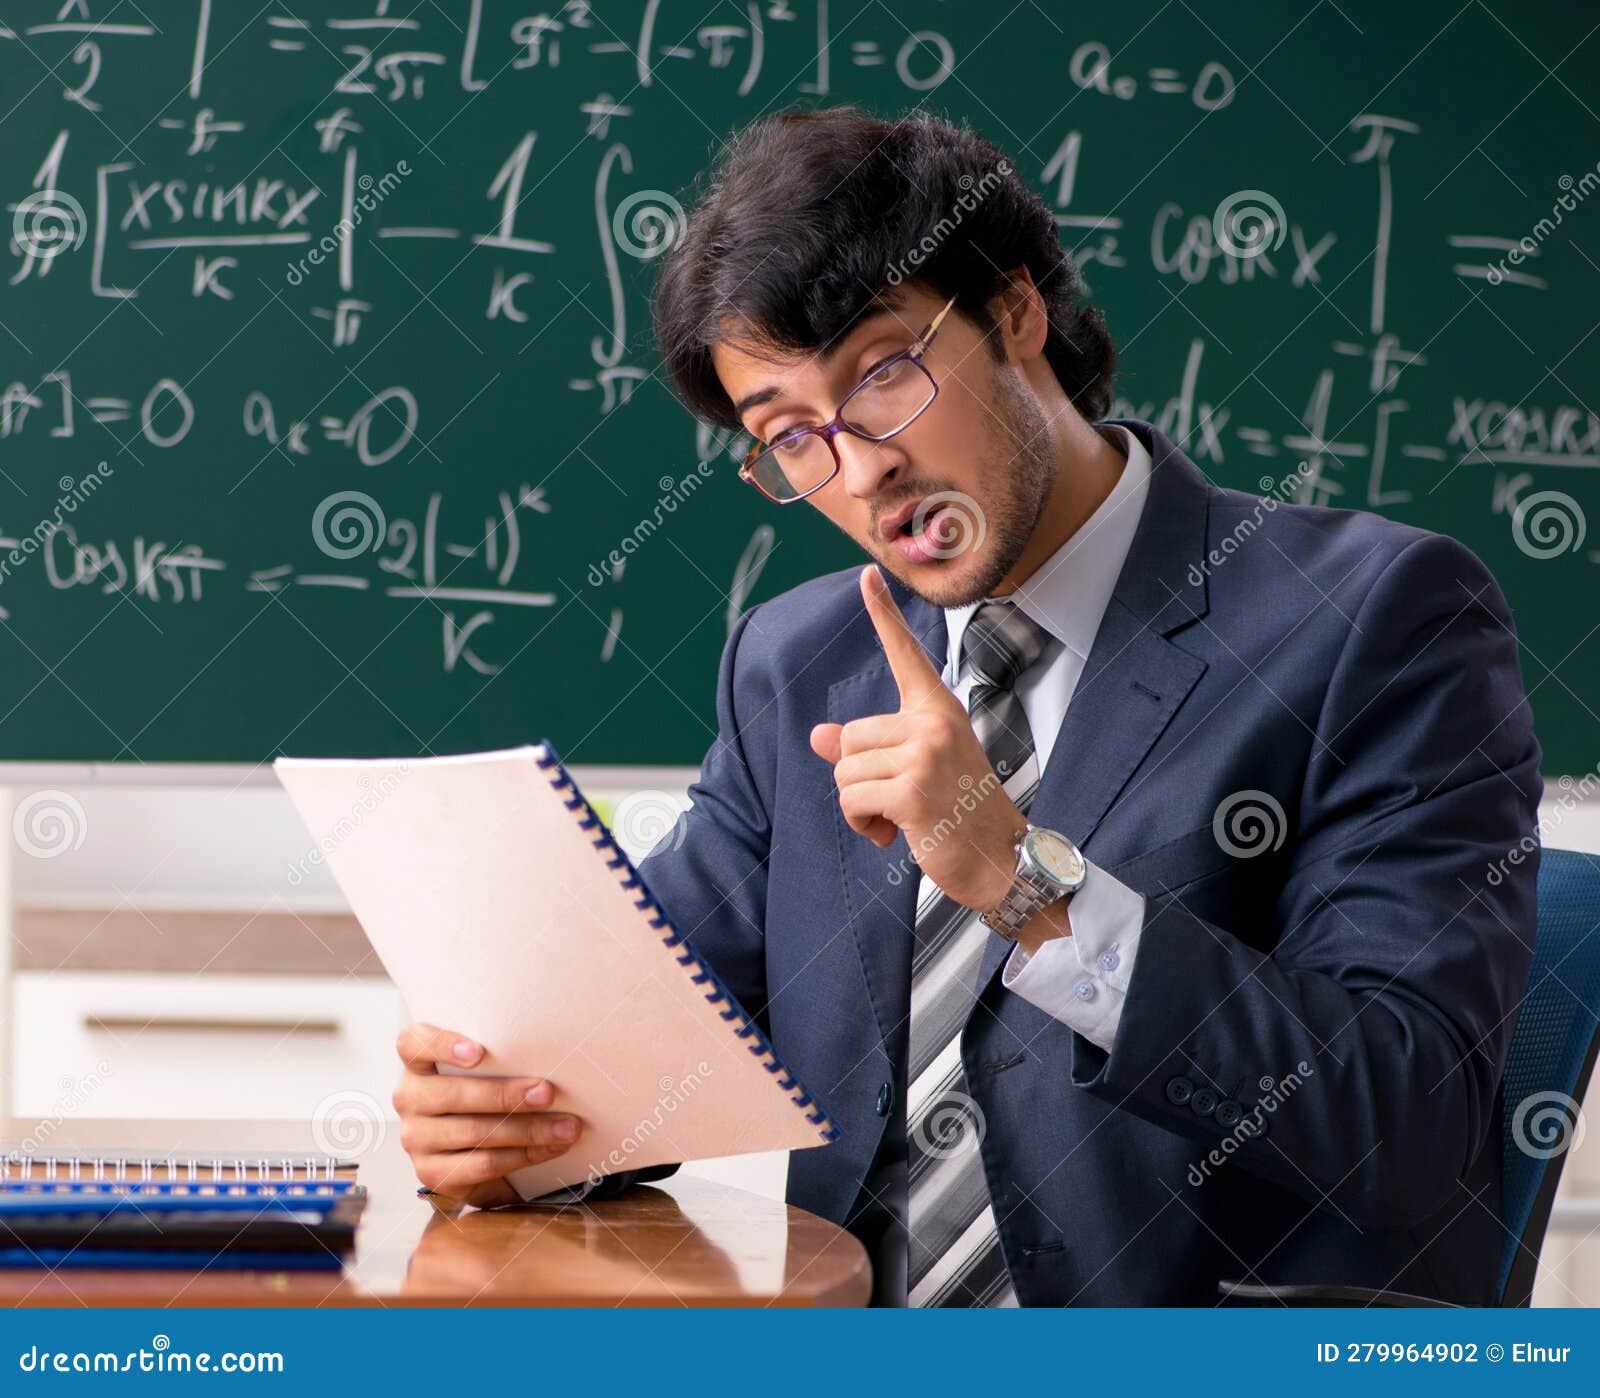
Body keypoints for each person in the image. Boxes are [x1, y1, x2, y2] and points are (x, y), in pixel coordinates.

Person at [391, 107, 1543, 1306]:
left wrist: (1019, 885)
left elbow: (1405, 1123)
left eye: (884, 373)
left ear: (1014, 312)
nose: (860, 465)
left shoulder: (1369, 619)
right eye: (790, 435)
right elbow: (643, 1047)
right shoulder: (796, 665)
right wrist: (512, 1123)